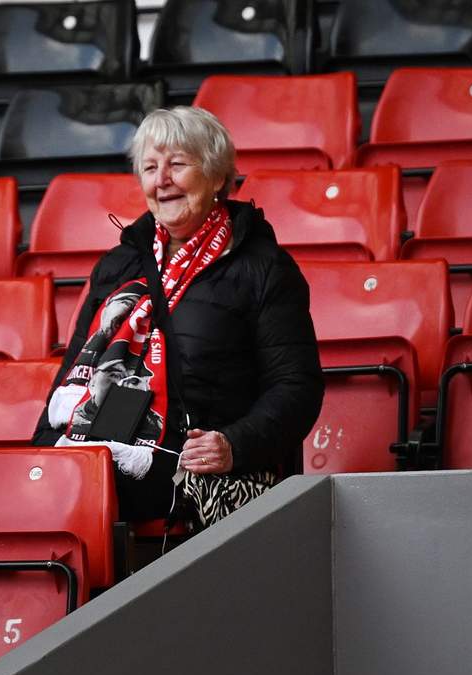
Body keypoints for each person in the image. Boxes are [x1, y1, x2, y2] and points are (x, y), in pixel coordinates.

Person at [33, 106, 324, 529]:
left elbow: (297, 387)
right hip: (111, 442)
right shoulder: (119, 265)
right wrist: (43, 448)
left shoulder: (264, 268)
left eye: (178, 165)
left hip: (197, 463)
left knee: (84, 495)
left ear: (219, 177)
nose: (162, 180)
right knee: (32, 487)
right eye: (150, 167)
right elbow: (74, 373)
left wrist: (233, 444)